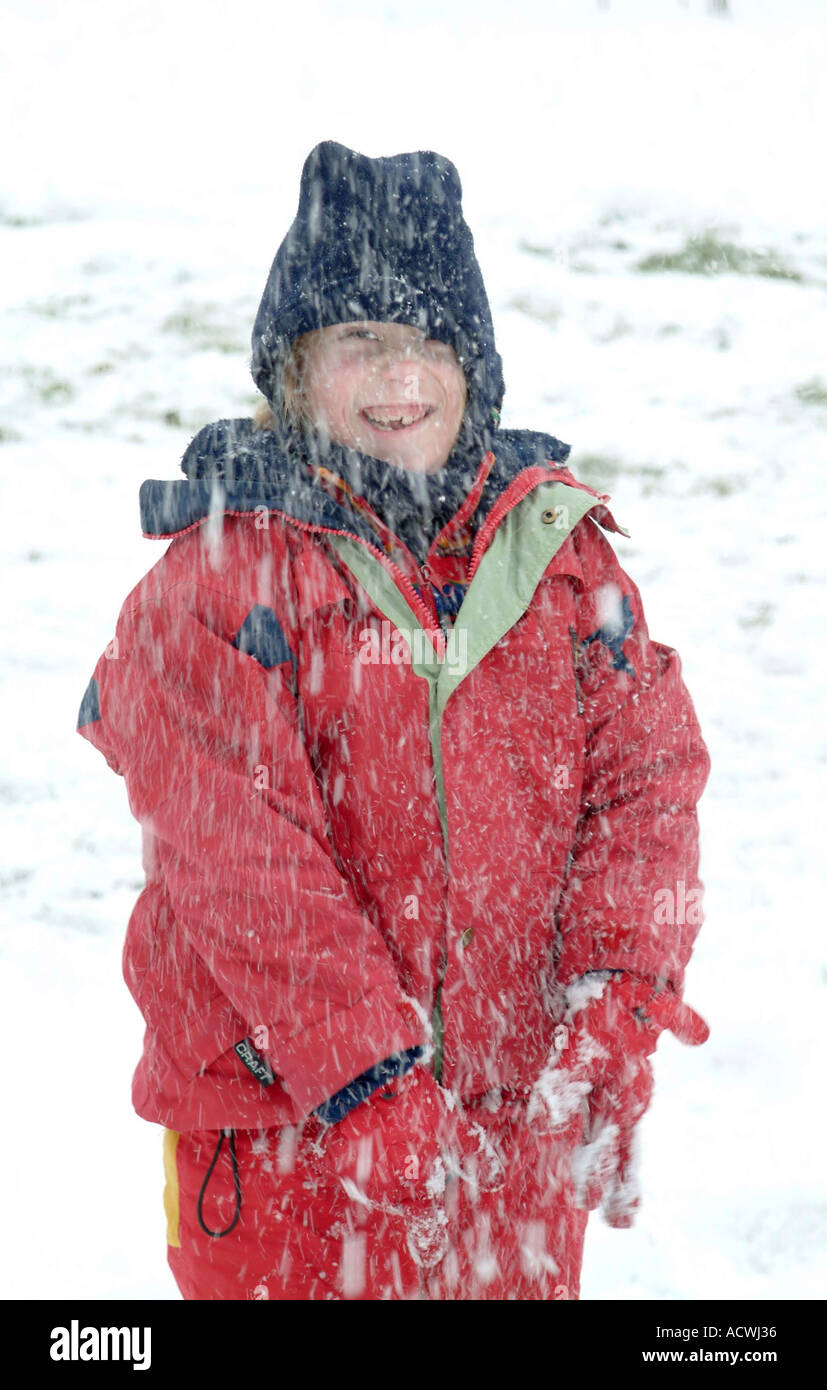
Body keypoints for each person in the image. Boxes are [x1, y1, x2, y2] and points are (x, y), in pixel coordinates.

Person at [76, 140, 711, 1301]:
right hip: (284, 1145)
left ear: (473, 366)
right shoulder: (215, 581)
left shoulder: (560, 559)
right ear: (290, 367)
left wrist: (613, 1003)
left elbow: (647, 788)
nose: (397, 374)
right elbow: (238, 854)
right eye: (357, 340)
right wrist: (367, 1075)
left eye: (427, 339)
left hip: (510, 1132)